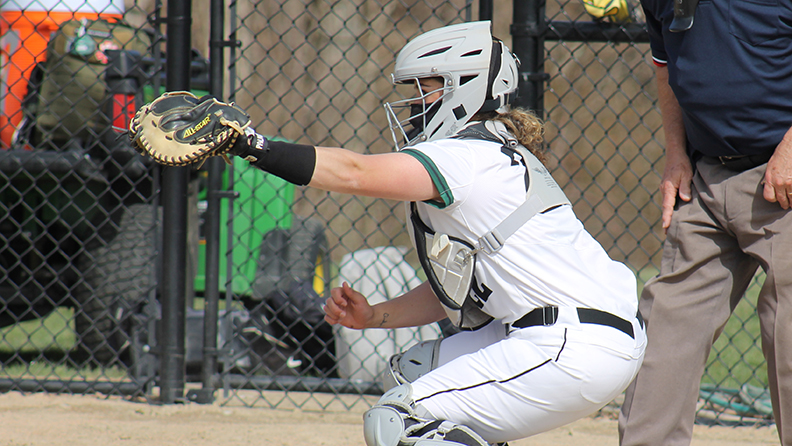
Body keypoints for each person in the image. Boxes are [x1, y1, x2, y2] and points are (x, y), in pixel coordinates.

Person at [229, 21, 646, 446]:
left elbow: (354, 173)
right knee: (416, 371)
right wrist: (375, 316)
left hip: (569, 346)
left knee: (397, 422)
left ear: (464, 89)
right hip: (577, 337)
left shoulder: (465, 156)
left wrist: (251, 145)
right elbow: (468, 287)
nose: (413, 104)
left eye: (425, 90)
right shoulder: (491, 150)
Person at [618, 1, 792, 445]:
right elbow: (667, 70)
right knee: (666, 326)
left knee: (787, 325)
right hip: (707, 176)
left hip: (784, 173)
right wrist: (675, 153)